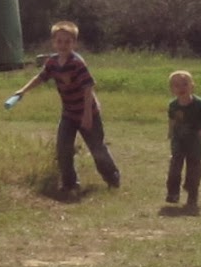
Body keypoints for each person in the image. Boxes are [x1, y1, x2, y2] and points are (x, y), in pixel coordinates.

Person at [7, 20, 120, 194]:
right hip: (69, 113)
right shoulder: (52, 62)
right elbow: (41, 77)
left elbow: (88, 87)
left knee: (97, 148)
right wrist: (23, 91)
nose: (63, 45)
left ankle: (112, 178)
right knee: (63, 148)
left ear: (74, 43)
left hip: (88, 112)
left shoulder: (77, 63)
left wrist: (88, 115)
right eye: (59, 41)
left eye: (67, 41)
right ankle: (70, 184)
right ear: (54, 43)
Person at [165, 70, 201, 209]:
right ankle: (173, 193)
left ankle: (192, 194)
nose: (181, 88)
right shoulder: (173, 105)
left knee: (194, 170)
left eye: (185, 84)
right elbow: (172, 119)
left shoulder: (199, 104)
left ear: (192, 86)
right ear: (172, 89)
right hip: (178, 141)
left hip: (194, 142)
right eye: (176, 85)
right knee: (174, 167)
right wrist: (170, 131)